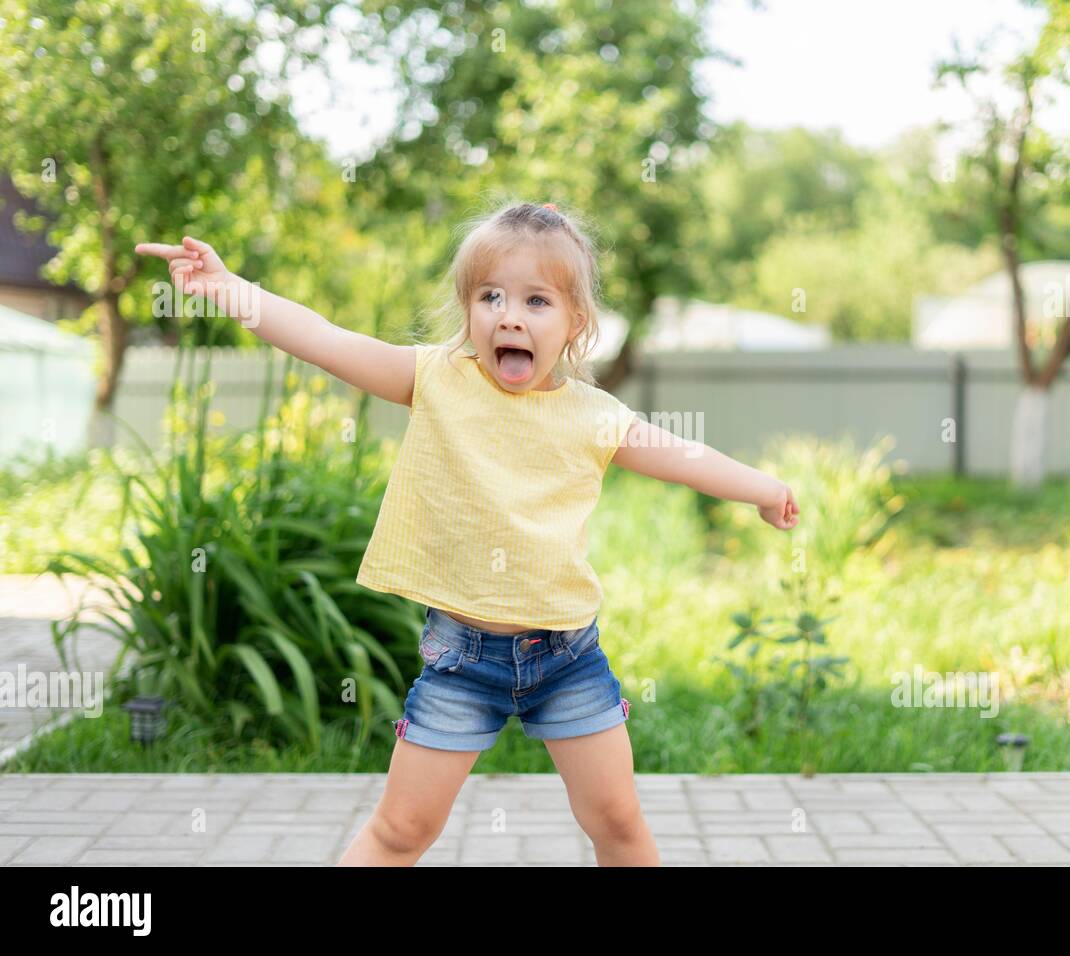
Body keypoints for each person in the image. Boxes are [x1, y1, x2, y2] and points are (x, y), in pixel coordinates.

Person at [135, 200, 799, 867]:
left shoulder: (594, 415)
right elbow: (325, 338)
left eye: (536, 300)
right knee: (401, 831)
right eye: (491, 296)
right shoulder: (435, 379)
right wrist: (228, 289)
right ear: (468, 309)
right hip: (460, 661)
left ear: (576, 322)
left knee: (619, 822)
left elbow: (684, 456)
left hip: (567, 658)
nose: (509, 314)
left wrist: (765, 491)